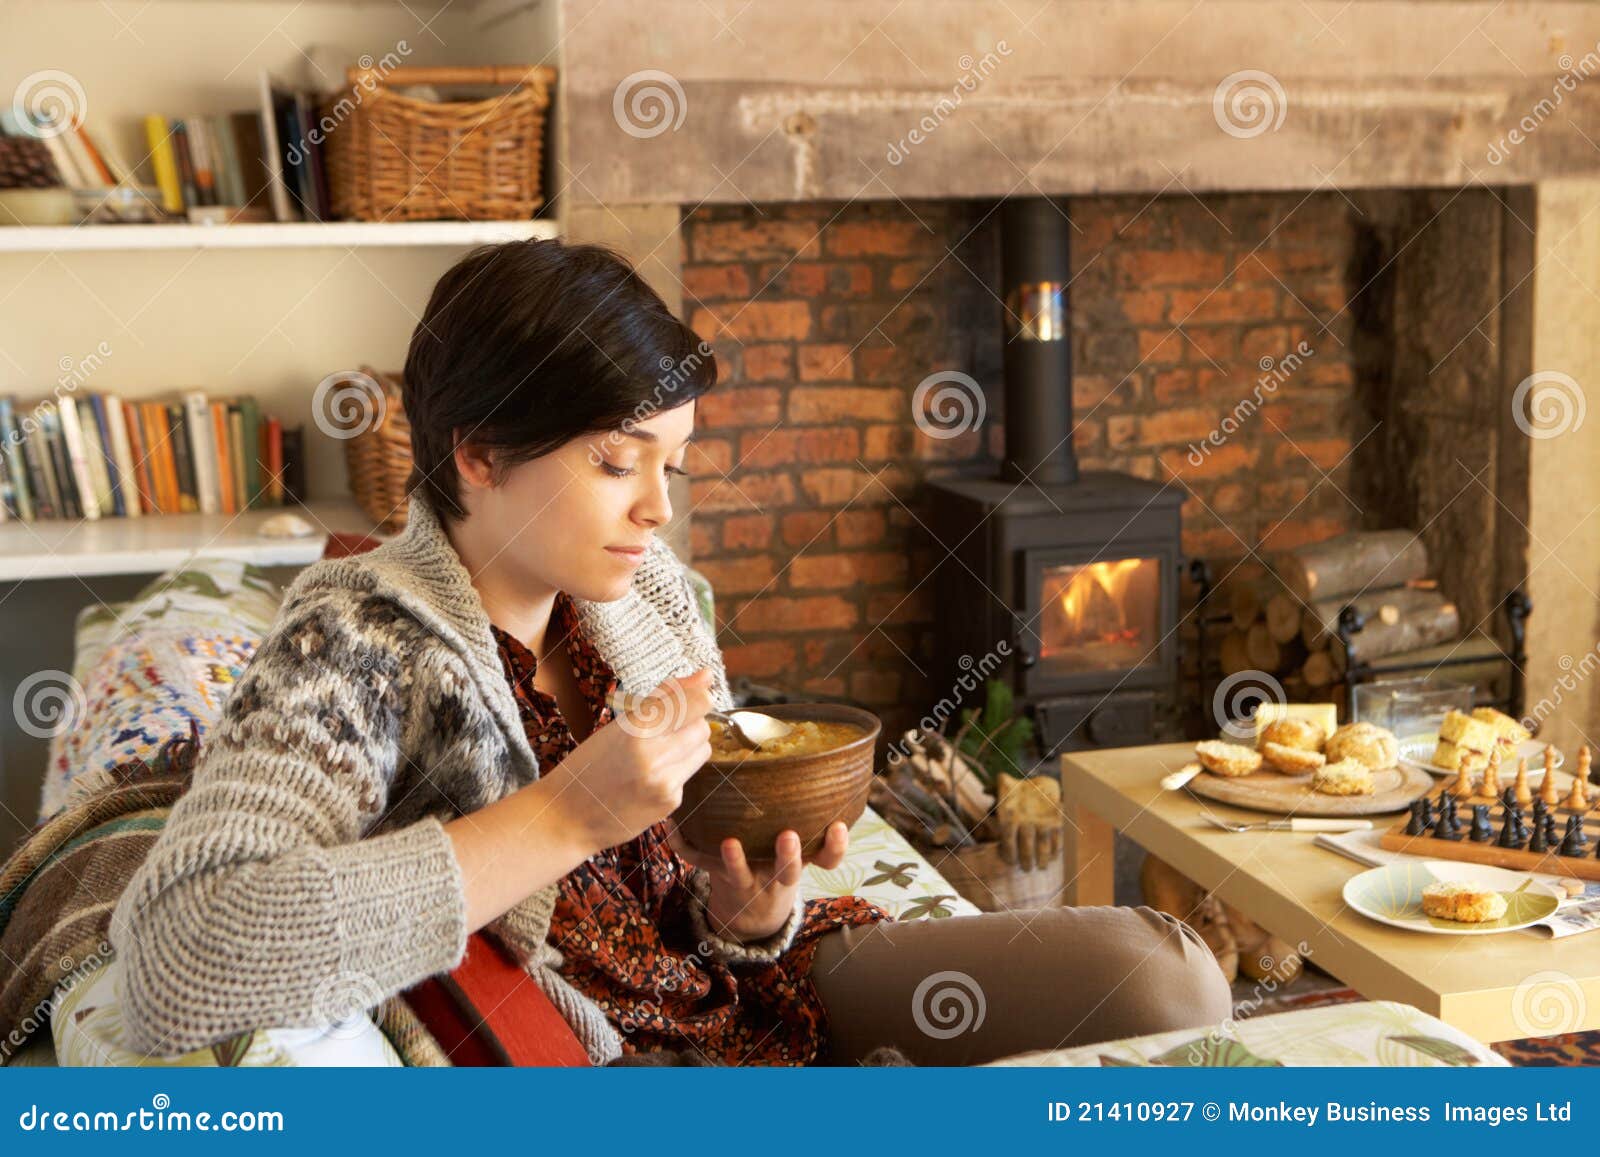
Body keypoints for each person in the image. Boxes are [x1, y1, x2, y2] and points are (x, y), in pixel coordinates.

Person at [108, 239, 1231, 1067]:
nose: (656, 511)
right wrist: (563, 815)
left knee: (1168, 974)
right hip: (625, 1055)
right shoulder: (349, 642)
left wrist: (747, 912)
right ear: (480, 453)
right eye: (614, 461)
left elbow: (709, 883)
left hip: (758, 984)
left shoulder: (645, 598)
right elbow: (176, 955)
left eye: (672, 468)